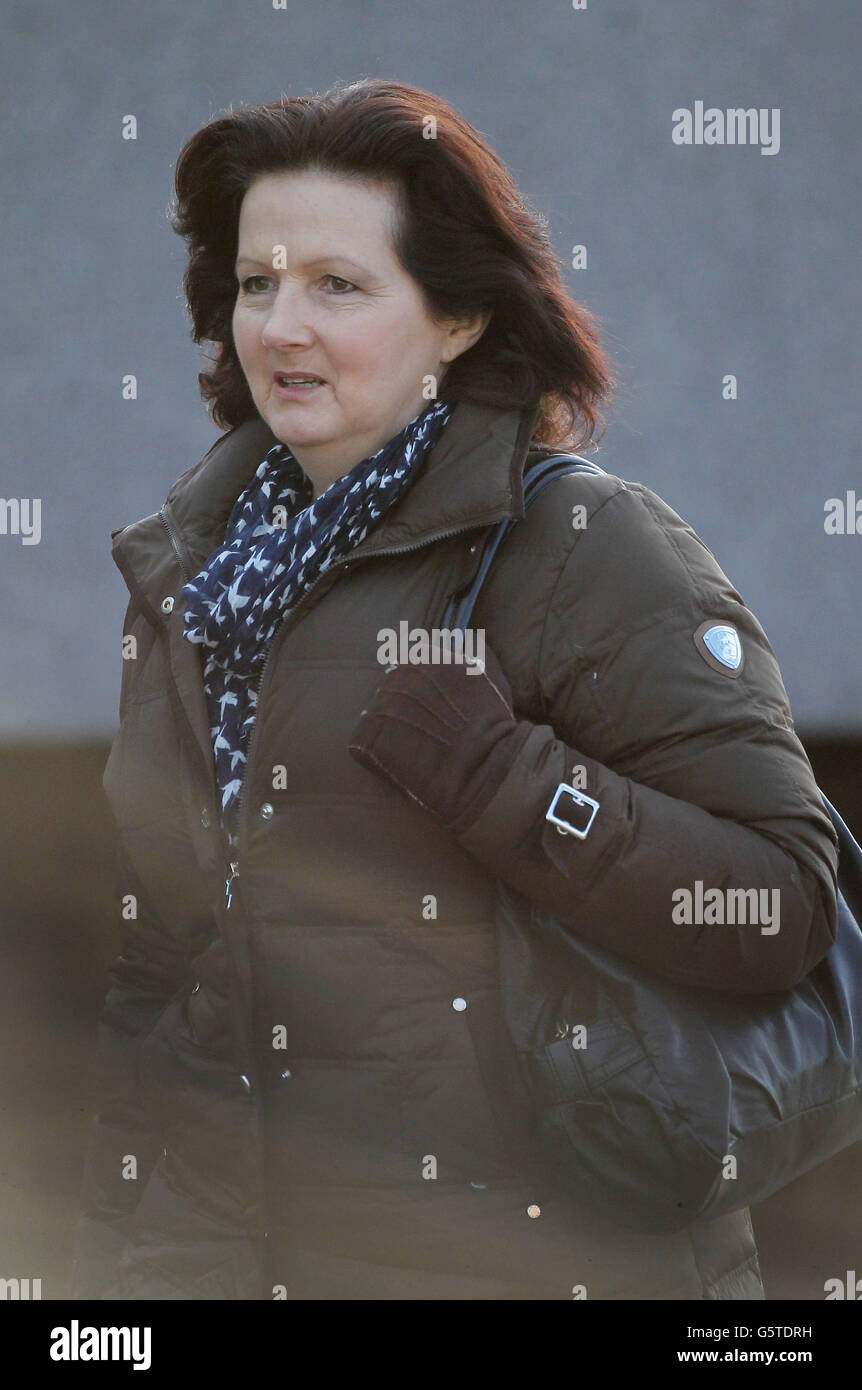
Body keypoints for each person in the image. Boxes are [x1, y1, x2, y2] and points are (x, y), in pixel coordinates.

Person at [71, 77, 839, 1301]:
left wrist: (507, 781)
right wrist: (104, 1253)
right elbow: (162, 961)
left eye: (339, 285)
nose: (280, 327)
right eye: (257, 282)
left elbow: (780, 905)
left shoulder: (582, 546)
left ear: (462, 316)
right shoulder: (191, 579)